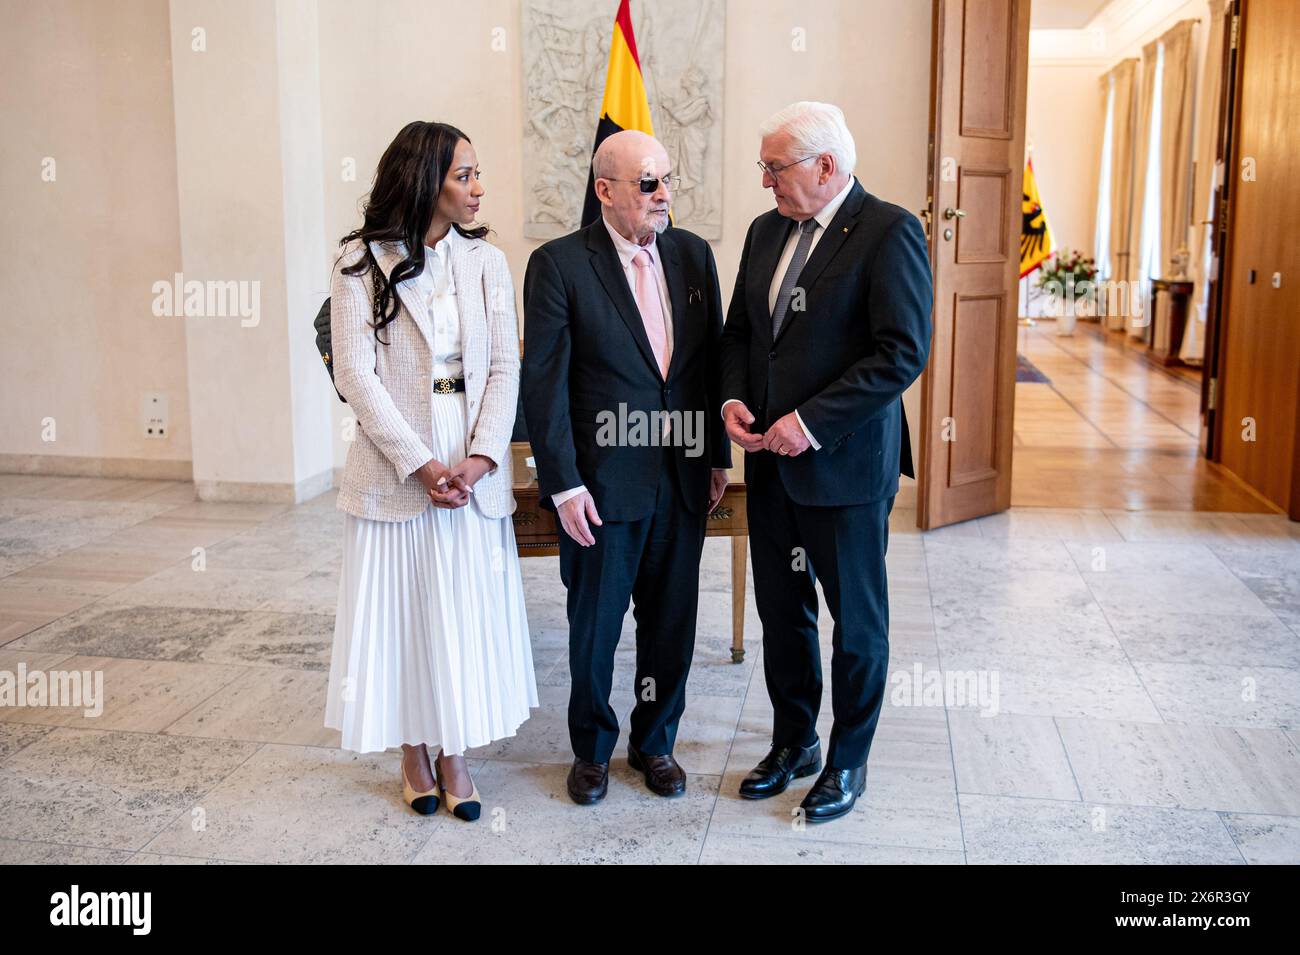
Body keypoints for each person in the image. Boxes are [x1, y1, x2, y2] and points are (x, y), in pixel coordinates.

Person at [719, 101, 933, 822]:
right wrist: (733, 403)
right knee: (784, 613)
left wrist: (809, 423)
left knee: (858, 622)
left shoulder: (889, 230)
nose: (766, 182)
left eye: (774, 168)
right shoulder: (764, 230)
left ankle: (847, 760)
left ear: (826, 167)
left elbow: (900, 352)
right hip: (770, 465)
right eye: (766, 167)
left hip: (842, 466)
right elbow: (741, 332)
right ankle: (793, 742)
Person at [324, 121, 538, 821]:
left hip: (469, 448)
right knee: (407, 609)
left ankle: (456, 752)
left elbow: (506, 363)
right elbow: (356, 373)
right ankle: (414, 750)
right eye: (464, 175)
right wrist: (420, 463)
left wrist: (481, 456)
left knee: (460, 606)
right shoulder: (362, 260)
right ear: (426, 181)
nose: (479, 188)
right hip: (399, 455)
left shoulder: (486, 263)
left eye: (477, 173)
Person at [521, 130, 731, 805]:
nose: (664, 193)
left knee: (672, 620)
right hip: (602, 484)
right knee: (596, 625)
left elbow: (710, 367)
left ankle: (655, 742)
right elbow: (544, 385)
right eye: (648, 182)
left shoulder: (694, 256)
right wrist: (562, 482)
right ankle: (590, 749)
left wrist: (718, 456)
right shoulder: (558, 264)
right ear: (605, 189)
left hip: (682, 474)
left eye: (668, 179)